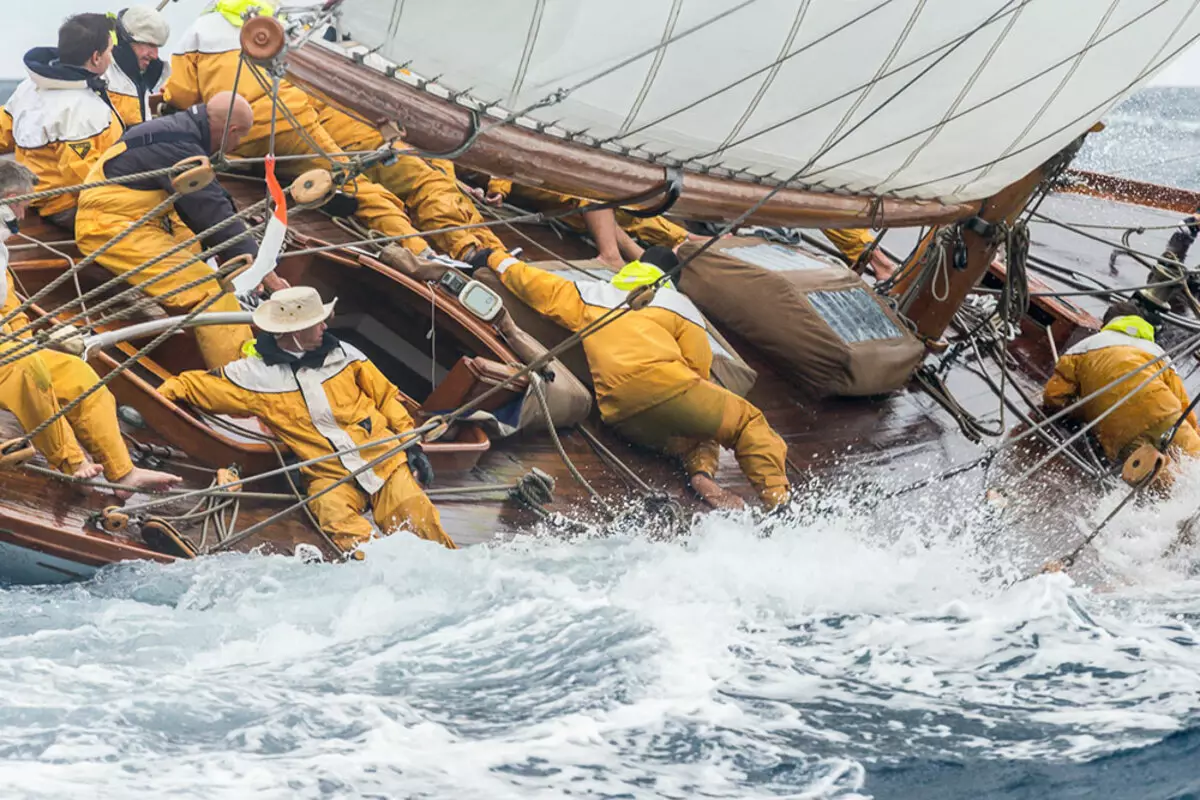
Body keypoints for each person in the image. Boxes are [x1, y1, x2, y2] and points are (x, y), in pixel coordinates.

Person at [473, 245, 791, 509]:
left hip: (621, 414)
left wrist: (492, 257)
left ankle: (701, 478)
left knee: (689, 428)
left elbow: (532, 282)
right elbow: (698, 373)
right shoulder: (679, 304)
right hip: (670, 391)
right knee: (746, 422)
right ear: (672, 280)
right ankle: (778, 505)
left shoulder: (592, 293)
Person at [158, 286, 457, 553]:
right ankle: (382, 573)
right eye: (317, 323)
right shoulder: (254, 375)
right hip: (328, 477)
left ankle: (446, 571)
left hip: (383, 459)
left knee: (416, 513)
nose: (325, 326)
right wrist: (157, 397)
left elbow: (386, 399)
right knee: (338, 522)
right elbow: (193, 386)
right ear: (293, 332)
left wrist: (411, 446)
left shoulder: (347, 355)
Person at [163, 1, 433, 258]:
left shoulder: (200, 29)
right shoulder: (281, 20)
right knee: (352, 180)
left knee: (262, 164)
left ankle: (305, 186)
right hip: (292, 122)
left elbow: (182, 95)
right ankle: (418, 249)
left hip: (240, 141)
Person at [0, 160, 180, 494]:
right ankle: (71, 460)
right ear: (10, 200)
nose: (24, 217)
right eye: (24, 206)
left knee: (78, 373)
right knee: (29, 369)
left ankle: (122, 471)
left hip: (10, 346)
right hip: (10, 358)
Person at [75, 92, 285, 370]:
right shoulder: (180, 146)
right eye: (239, 139)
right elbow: (211, 211)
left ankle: (208, 333)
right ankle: (241, 378)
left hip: (143, 214)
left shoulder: (178, 129)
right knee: (209, 291)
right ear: (232, 131)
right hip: (110, 225)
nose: (236, 145)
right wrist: (267, 274)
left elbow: (209, 204)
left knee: (201, 257)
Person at [310, 99, 510, 262]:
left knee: (438, 185)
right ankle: (477, 254)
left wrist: (454, 179)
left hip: (374, 141)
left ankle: (493, 255)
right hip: (367, 144)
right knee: (427, 185)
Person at [0, 13, 124, 229]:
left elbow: (4, 130)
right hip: (64, 207)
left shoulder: (28, 87)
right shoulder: (80, 108)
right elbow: (83, 177)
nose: (111, 59)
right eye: (109, 52)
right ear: (96, 57)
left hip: (34, 196)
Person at [1043, 300, 1200, 463]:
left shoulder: (1083, 347)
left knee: (1150, 479)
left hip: (1120, 430)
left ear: (1106, 324)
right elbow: (1184, 407)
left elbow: (1054, 397)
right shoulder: (1158, 354)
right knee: (1195, 462)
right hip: (1166, 415)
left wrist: (1085, 411)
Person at [105, 6, 171, 126]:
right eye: (150, 45)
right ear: (127, 39)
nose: (155, 56)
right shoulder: (101, 77)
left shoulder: (151, 78)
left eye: (157, 47)